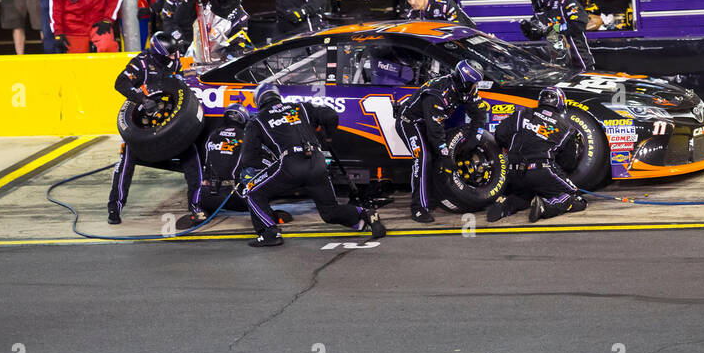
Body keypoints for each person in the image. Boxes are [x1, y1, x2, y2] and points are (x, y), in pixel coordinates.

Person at [234, 83, 385, 248]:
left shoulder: (257, 120)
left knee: (251, 190)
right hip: (318, 162)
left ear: (258, 101)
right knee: (329, 211)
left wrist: (269, 165)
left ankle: (269, 234)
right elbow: (331, 115)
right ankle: (365, 215)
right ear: (277, 95)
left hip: (291, 165)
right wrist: (327, 139)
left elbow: (248, 158)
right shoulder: (301, 107)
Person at [108, 31, 205, 226]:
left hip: (172, 119)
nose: (173, 57)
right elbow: (120, 83)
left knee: (192, 156)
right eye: (169, 54)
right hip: (145, 123)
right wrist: (141, 99)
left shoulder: (176, 61)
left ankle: (196, 205)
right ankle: (114, 207)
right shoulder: (141, 62)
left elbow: (189, 78)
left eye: (174, 53)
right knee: (126, 159)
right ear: (158, 53)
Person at [398, 59, 488, 224]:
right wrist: (445, 154)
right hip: (410, 122)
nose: (476, 86)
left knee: (436, 157)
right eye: (474, 82)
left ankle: (432, 196)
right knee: (423, 158)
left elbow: (480, 112)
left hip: (429, 124)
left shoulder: (467, 89)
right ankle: (418, 208)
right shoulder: (437, 93)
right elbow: (435, 131)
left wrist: (474, 139)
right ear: (464, 81)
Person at [487, 85, 586, 223]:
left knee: (526, 195)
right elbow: (569, 162)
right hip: (540, 169)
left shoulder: (522, 113)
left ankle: (506, 204)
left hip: (512, 172)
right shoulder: (567, 128)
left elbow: (499, 134)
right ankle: (546, 207)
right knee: (577, 199)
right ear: (561, 103)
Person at [521, 0, 593, 70]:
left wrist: (555, 28)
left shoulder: (565, 0)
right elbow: (539, 34)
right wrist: (528, 30)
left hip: (581, 63)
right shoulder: (540, 8)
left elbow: (579, 24)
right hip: (558, 66)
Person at [188, 0, 252, 62]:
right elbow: (180, 20)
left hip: (214, 67)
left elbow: (236, 49)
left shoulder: (240, 18)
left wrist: (226, 60)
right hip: (190, 58)